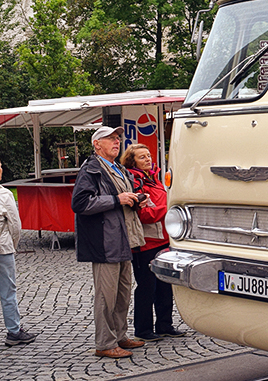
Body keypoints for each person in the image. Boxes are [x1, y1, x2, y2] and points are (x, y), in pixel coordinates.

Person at [72, 126, 147, 358]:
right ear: (97, 144)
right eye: (110, 139)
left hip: (124, 238)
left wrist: (136, 200)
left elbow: (122, 199)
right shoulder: (91, 169)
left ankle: (120, 336)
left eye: (117, 138)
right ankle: (105, 343)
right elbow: (81, 203)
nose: (116, 142)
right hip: (105, 241)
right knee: (106, 295)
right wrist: (117, 199)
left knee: (123, 292)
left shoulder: (119, 168)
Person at [122, 143, 184, 341]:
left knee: (165, 285)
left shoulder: (155, 179)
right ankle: (143, 330)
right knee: (147, 287)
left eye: (148, 155)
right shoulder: (134, 182)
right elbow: (144, 215)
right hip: (145, 243)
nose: (148, 159)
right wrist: (167, 207)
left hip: (163, 240)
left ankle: (165, 325)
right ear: (133, 162)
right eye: (142, 157)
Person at [0, 159, 37, 347]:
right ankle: (14, 331)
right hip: (2, 249)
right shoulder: (4, 194)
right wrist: (11, 245)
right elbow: (15, 225)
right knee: (7, 291)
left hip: (4, 248)